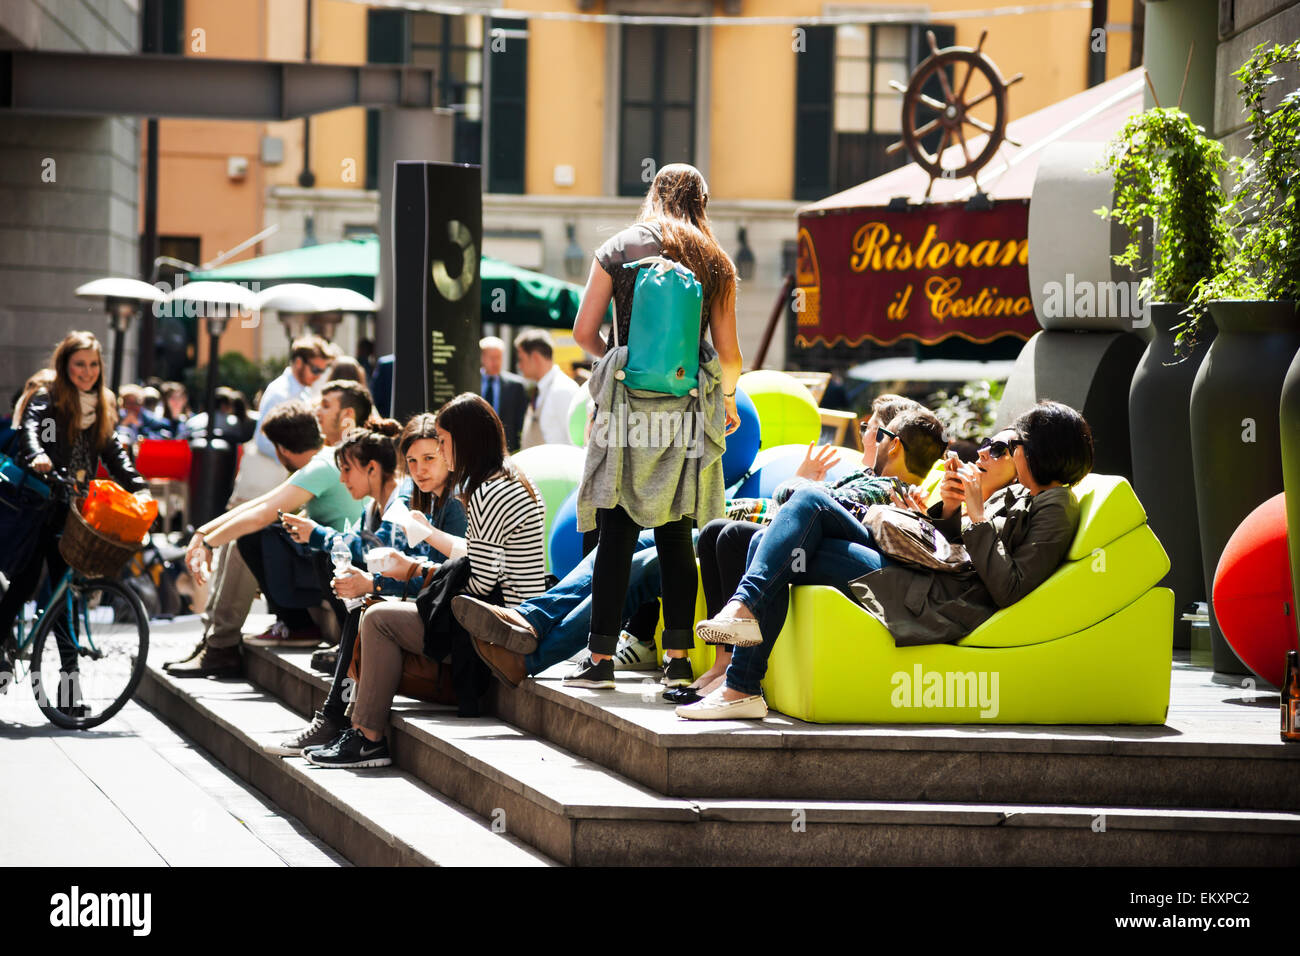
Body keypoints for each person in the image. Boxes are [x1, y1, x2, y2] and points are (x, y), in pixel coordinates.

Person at [680, 401, 1093, 720]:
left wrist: (977, 514)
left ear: (1039, 452)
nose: (998, 451)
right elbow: (956, 551)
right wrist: (951, 510)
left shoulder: (1057, 506)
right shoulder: (1023, 494)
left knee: (804, 504)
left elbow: (1008, 588)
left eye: (1010, 446)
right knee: (772, 537)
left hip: (934, 598)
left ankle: (741, 652)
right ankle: (742, 685)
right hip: (922, 573)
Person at [564, 162, 742, 691]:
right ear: (702, 202)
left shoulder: (618, 248)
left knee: (616, 530)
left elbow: (582, 331)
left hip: (624, 410)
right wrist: (726, 398)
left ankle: (599, 660)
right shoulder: (715, 261)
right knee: (676, 533)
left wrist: (613, 362)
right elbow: (729, 354)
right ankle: (679, 660)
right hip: (686, 411)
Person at [305, 392, 547, 767]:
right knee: (376, 612)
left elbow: (479, 584)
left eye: (443, 445)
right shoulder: (510, 475)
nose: (444, 455)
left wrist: (404, 577)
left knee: (378, 618)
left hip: (500, 627)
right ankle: (351, 728)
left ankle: (365, 736)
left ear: (465, 440)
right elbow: (478, 557)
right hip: (512, 614)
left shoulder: (482, 490)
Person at [271, 415, 468, 755]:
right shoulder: (424, 499)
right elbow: (403, 567)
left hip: (455, 624)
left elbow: (450, 577)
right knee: (365, 605)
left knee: (369, 608)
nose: (419, 470)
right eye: (412, 461)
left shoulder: (449, 504)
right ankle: (343, 722)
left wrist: (372, 580)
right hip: (431, 612)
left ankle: (345, 724)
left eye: (430, 458)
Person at [0, 333, 151, 713]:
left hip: (75, 510)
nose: (87, 372)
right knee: (22, 587)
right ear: (66, 365)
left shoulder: (100, 406)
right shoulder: (49, 401)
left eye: (93, 365)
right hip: (39, 506)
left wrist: (140, 489)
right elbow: (35, 433)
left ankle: (68, 696)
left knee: (61, 598)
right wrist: (40, 457)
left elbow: (114, 451)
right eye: (80, 364)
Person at [163, 400, 367, 676]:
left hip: (339, 570)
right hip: (332, 567)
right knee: (246, 535)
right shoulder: (323, 459)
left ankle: (221, 645)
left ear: (281, 450)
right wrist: (204, 534)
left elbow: (261, 515)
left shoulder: (319, 468)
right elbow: (261, 503)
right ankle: (216, 640)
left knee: (248, 538)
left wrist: (210, 542)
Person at [253, 335, 330, 460]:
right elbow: (263, 441)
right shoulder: (279, 393)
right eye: (316, 370)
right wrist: (300, 458)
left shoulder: (305, 392)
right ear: (299, 362)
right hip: (267, 474)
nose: (319, 376)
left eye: (322, 371)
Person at [515, 329, 579, 448]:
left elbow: (577, 443)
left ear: (535, 357)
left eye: (521, 359)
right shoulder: (542, 388)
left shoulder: (563, 389)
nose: (519, 366)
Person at [479, 336, 529, 453]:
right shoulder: (470, 381)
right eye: (492, 358)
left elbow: (521, 423)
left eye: (499, 357)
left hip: (506, 449)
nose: (496, 362)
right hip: (477, 446)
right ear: (482, 357)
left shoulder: (516, 386)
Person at [314, 379, 373, 447]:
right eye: (319, 405)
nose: (317, 412)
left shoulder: (362, 455)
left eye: (326, 406)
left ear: (348, 414)